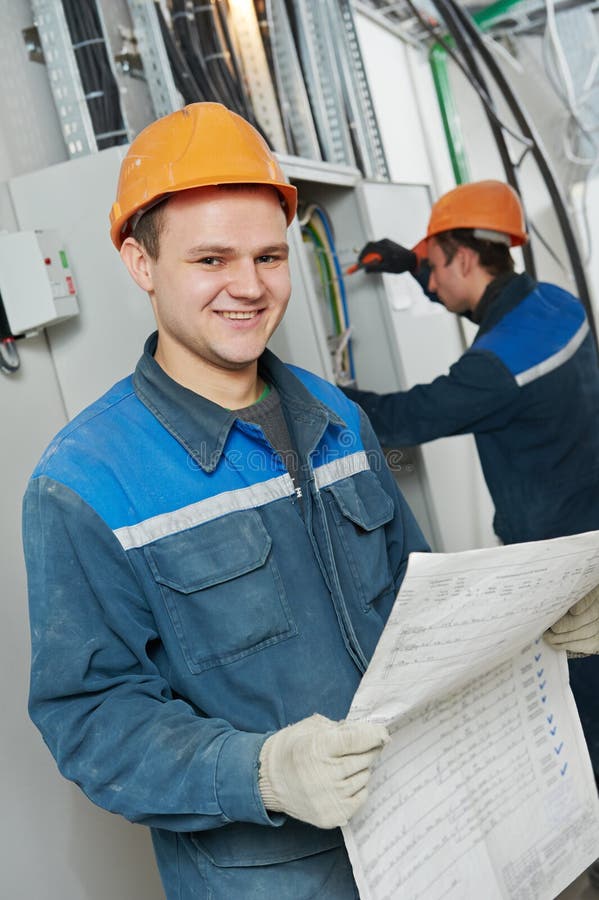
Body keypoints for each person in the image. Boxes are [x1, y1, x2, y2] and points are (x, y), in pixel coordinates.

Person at [21, 112, 599, 899]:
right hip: (282, 881)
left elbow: (418, 612)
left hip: (431, 846)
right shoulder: (86, 481)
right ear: (140, 261)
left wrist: (535, 627)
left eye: (267, 255)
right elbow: (90, 719)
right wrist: (259, 773)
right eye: (210, 258)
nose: (250, 286)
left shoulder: (335, 419)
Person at [345, 178, 599, 885]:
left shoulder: (492, 368)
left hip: (566, 579)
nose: (429, 274)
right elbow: (461, 291)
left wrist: (310, 394)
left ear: (461, 255)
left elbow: (399, 419)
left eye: (433, 260)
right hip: (591, 537)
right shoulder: (555, 305)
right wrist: (405, 262)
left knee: (587, 735)